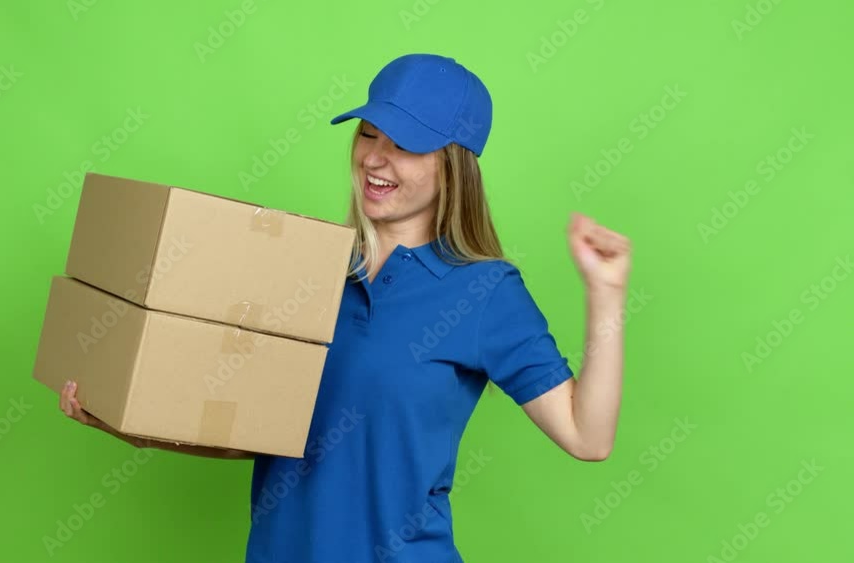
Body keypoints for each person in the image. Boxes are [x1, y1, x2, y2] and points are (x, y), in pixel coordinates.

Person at [59, 53, 632, 562]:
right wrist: (135, 421)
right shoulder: (305, 271)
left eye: (405, 143)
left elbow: (588, 436)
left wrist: (605, 295)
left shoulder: (483, 292)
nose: (375, 159)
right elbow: (268, 434)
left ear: (453, 163)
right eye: (368, 133)